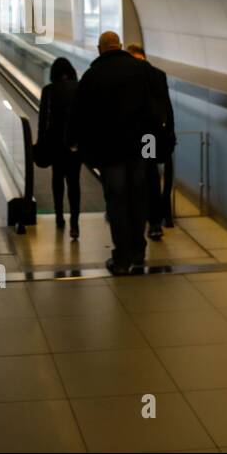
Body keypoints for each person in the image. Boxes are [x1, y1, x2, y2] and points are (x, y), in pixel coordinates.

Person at [73, 30, 157, 274]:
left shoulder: (92, 76)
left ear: (100, 49)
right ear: (120, 46)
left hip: (110, 152)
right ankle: (139, 250)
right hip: (140, 149)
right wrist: (152, 148)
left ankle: (121, 259)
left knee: (117, 201)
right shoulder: (142, 71)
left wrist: (77, 144)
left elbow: (80, 115)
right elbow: (154, 111)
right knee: (138, 198)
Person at [127, 42, 176, 241]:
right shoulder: (158, 74)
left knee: (142, 175)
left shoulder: (131, 77)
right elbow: (167, 107)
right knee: (150, 175)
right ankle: (154, 222)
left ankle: (147, 220)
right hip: (150, 136)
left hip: (140, 136)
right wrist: (169, 134)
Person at [37, 57, 81, 240]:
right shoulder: (79, 89)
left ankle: (59, 217)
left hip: (55, 144)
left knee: (57, 179)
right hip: (74, 145)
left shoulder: (48, 91)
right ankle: (75, 223)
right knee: (74, 183)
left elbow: (43, 121)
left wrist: (41, 142)